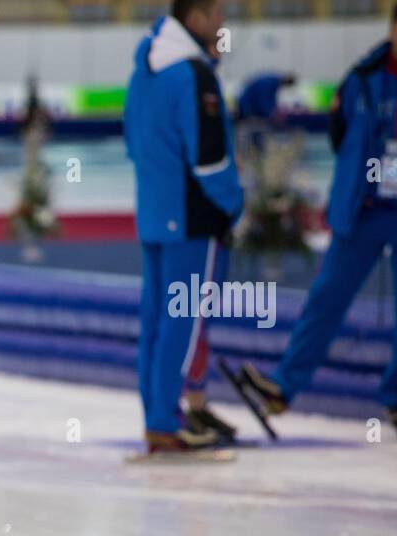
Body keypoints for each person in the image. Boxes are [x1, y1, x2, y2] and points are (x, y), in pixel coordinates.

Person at [235, 0, 397, 436]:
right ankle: (283, 388)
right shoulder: (363, 79)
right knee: (327, 298)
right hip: (364, 210)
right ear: (393, 29)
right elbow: (341, 135)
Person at [125, 0, 245, 454]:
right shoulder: (193, 75)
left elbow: (134, 144)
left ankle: (157, 418)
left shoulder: (144, 70)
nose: (221, 23)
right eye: (216, 14)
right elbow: (210, 158)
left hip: (155, 214)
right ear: (194, 17)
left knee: (157, 319)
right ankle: (167, 422)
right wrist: (234, 205)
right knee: (184, 322)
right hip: (193, 219)